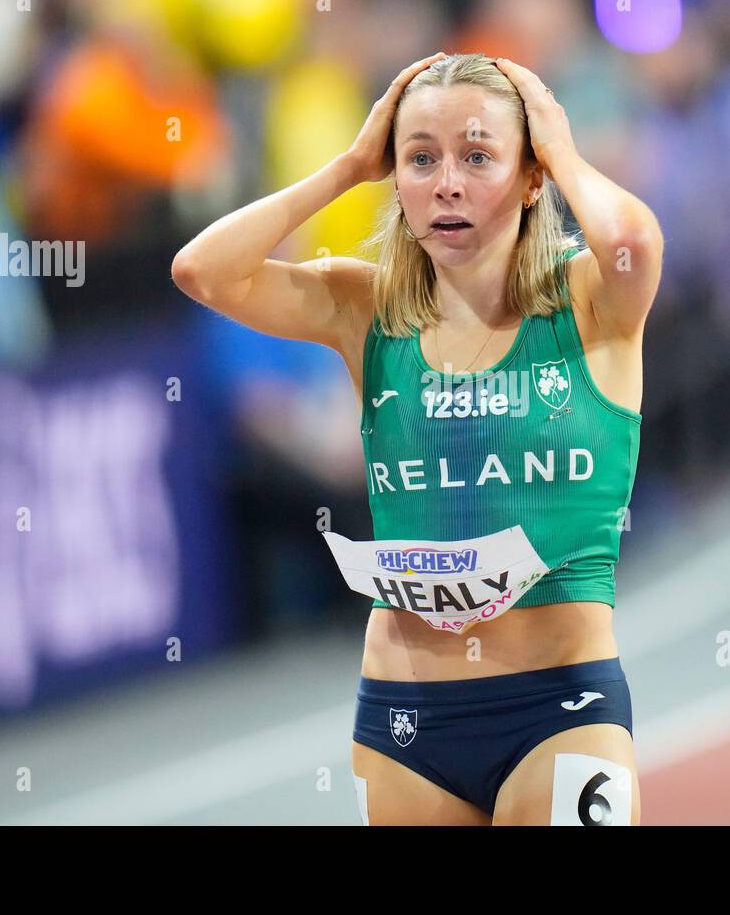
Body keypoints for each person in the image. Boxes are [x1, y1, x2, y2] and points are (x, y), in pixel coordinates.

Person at [171, 52, 663, 824]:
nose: (448, 183)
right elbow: (204, 271)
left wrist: (561, 151)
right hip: (404, 721)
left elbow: (632, 239)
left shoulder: (591, 304)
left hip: (559, 707)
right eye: (421, 159)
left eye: (477, 156)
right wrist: (346, 166)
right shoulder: (365, 309)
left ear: (531, 177)